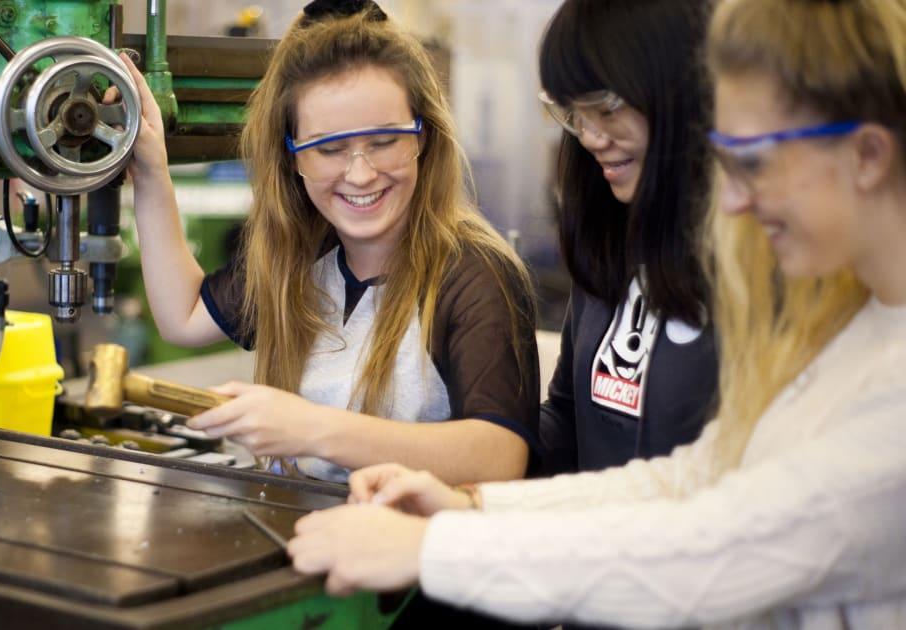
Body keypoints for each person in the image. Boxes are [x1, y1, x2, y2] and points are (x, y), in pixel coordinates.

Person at [286, 0, 906, 628]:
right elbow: (693, 476)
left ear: (869, 155)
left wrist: (435, 547)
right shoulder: (859, 335)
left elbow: (722, 543)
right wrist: (476, 509)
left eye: (754, 163)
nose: (735, 201)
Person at [120, 0, 540, 484]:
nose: (360, 173)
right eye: (328, 149)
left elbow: (500, 458)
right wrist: (151, 166)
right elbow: (184, 315)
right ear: (292, 157)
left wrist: (310, 429)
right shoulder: (303, 259)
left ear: (423, 137)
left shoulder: (473, 276)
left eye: (384, 142)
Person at [535, 0, 717, 478]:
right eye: (574, 113)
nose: (592, 137)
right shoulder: (609, 242)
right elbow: (567, 421)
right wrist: (464, 455)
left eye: (606, 107)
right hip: (597, 544)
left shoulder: (751, 260)